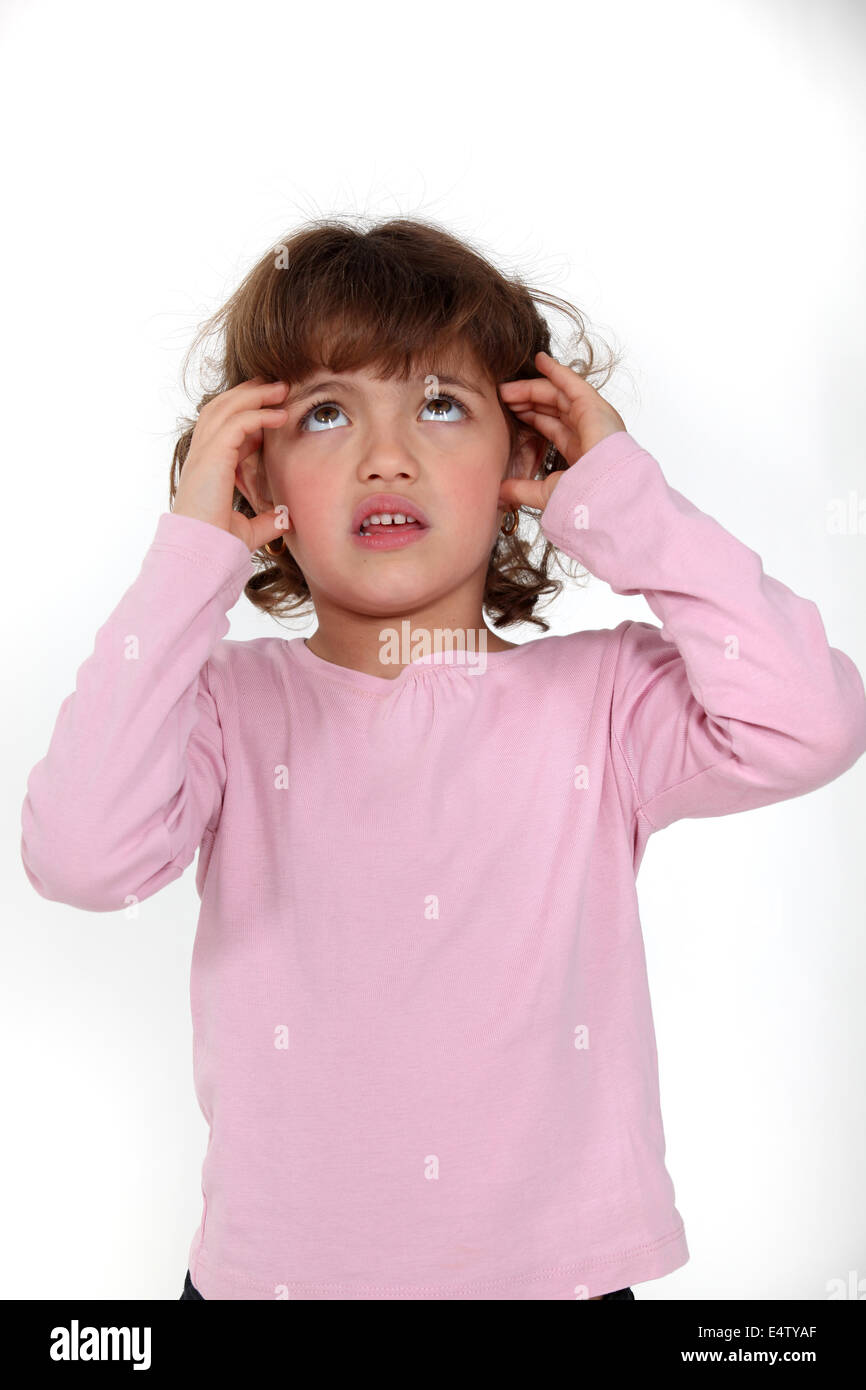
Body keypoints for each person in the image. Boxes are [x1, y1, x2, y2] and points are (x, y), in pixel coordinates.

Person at [20, 217, 866, 1301]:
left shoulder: (600, 700)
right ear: (254, 473)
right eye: (324, 412)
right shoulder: (225, 705)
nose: (386, 453)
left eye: (439, 404)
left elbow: (811, 721)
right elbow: (82, 856)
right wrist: (191, 557)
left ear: (524, 455)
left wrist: (623, 504)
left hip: (553, 1283)